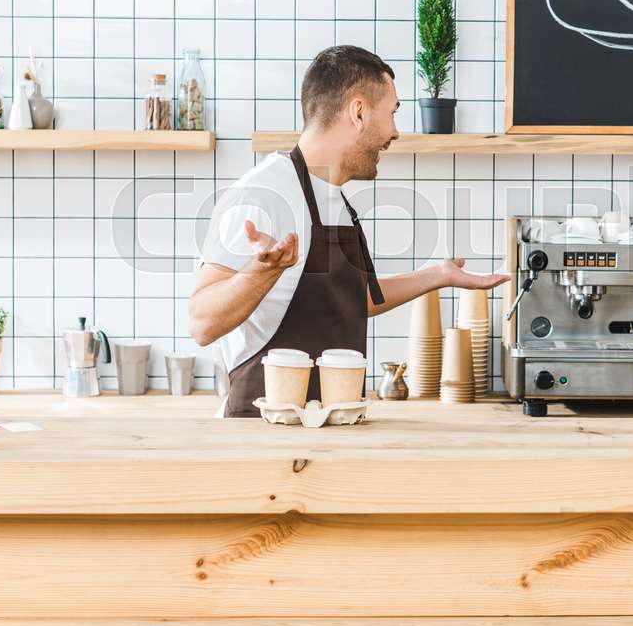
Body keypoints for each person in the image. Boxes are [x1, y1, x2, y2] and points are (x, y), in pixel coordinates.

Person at [190, 44, 507, 416]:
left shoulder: (334, 199)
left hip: (331, 425)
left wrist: (437, 275)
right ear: (358, 112)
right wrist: (261, 272)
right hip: (266, 432)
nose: (395, 132)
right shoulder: (264, 195)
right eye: (392, 113)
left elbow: (349, 302)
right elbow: (203, 323)